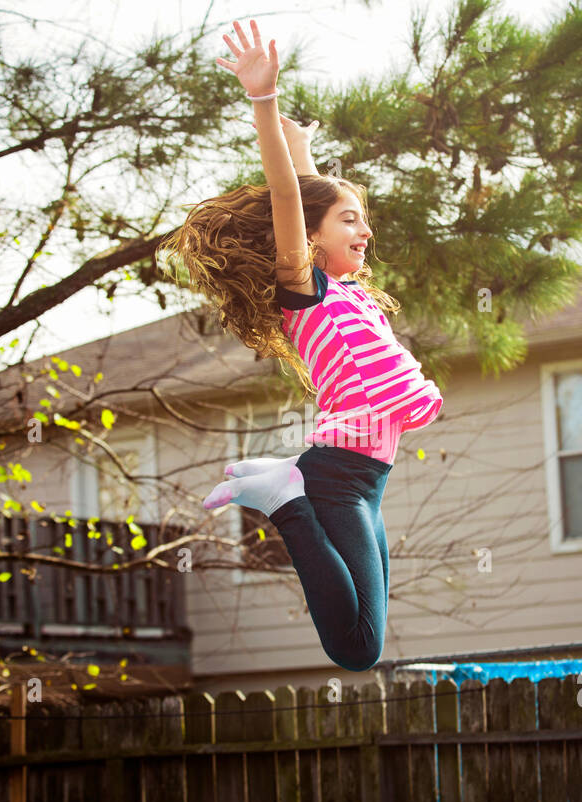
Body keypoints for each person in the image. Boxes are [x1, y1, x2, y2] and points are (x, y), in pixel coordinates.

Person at [157, 19, 442, 671]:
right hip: (335, 478)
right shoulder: (303, 288)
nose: (366, 232)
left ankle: (287, 492)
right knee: (356, 649)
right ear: (309, 241)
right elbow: (292, 198)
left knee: (367, 635)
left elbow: (311, 197)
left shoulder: (349, 296)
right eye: (351, 221)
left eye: (365, 220)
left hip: (367, 480)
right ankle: (285, 500)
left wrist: (301, 146)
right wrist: (265, 103)